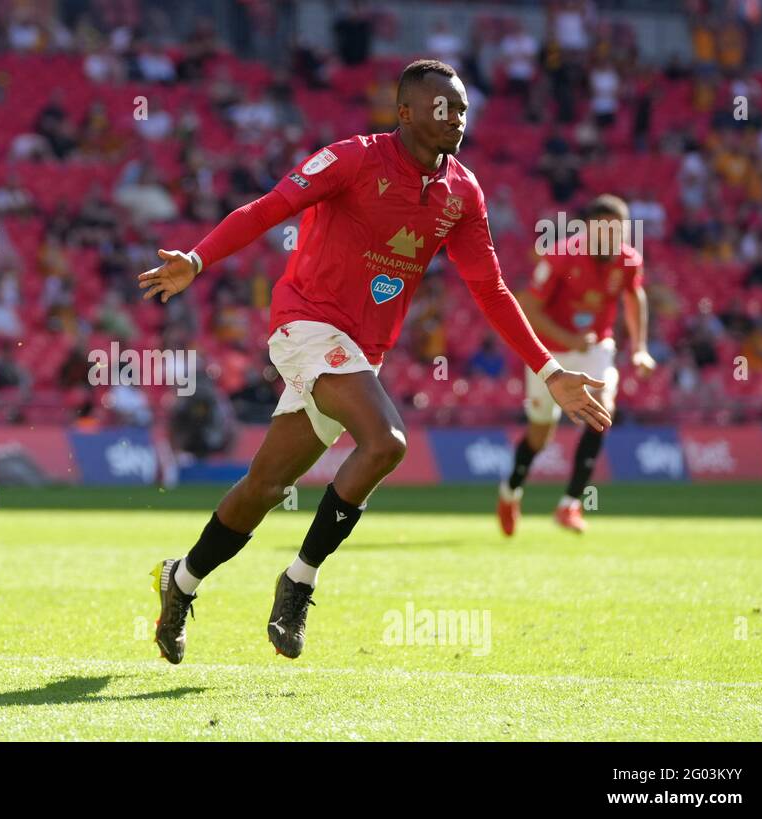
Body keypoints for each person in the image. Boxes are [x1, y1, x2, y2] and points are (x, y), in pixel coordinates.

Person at [136, 60, 610, 664]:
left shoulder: (462, 194)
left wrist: (550, 371)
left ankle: (179, 582)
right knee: (386, 441)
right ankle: (299, 582)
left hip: (361, 353)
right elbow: (270, 207)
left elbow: (489, 288)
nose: (455, 119)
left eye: (462, 108)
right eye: (442, 108)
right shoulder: (352, 158)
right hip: (304, 325)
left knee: (266, 484)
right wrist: (198, 261)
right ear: (405, 111)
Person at [500, 194, 655, 534]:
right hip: (549, 354)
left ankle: (570, 504)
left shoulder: (629, 260)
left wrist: (640, 348)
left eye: (618, 232)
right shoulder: (558, 257)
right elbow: (528, 309)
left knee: (601, 413)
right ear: (587, 230)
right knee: (540, 434)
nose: (611, 239)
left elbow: (634, 296)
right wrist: (568, 341)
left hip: (595, 346)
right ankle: (510, 492)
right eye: (604, 232)